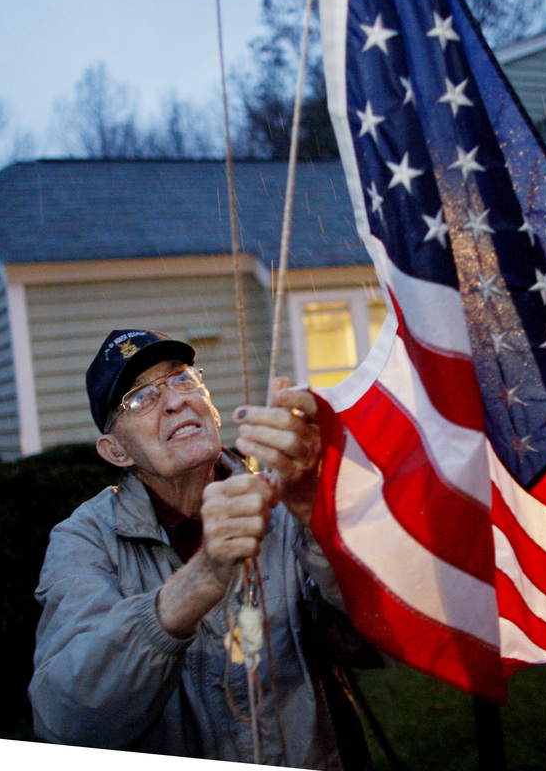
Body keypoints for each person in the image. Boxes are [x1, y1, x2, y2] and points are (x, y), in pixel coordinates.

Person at [29, 329, 367, 768]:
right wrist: (202, 577)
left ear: (212, 407)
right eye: (139, 398)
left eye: (182, 378)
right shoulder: (85, 540)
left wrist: (318, 515)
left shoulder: (285, 499)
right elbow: (67, 721)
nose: (174, 401)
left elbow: (371, 642)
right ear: (116, 452)